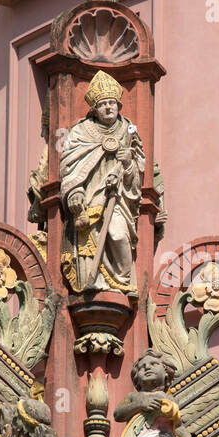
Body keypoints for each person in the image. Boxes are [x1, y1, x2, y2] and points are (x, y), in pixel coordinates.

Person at [59, 70, 144, 293]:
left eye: (112, 103)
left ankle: (123, 281)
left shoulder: (129, 131)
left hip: (117, 198)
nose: (108, 107)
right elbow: (69, 166)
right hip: (89, 199)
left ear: (118, 105)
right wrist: (74, 191)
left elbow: (139, 168)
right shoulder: (80, 131)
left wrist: (127, 164)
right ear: (94, 109)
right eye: (103, 104)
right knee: (89, 239)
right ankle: (93, 279)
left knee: (118, 234)